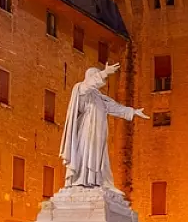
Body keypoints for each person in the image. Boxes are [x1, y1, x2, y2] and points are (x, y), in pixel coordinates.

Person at [60, 63, 147, 191]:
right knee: (86, 154)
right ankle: (82, 180)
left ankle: (94, 181)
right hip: (87, 131)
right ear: (90, 77)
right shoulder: (81, 89)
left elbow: (114, 108)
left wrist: (133, 111)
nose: (99, 79)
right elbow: (88, 86)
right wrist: (105, 72)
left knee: (98, 158)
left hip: (99, 134)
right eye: (95, 75)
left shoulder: (99, 98)